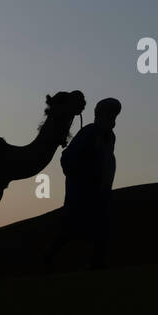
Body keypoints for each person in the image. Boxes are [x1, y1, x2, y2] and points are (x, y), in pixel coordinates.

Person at [46, 97, 121, 270]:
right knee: (70, 230)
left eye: (114, 116)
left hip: (100, 192)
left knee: (101, 229)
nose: (112, 120)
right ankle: (47, 258)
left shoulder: (109, 137)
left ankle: (96, 263)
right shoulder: (89, 132)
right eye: (110, 115)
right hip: (82, 193)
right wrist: (83, 177)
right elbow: (68, 158)